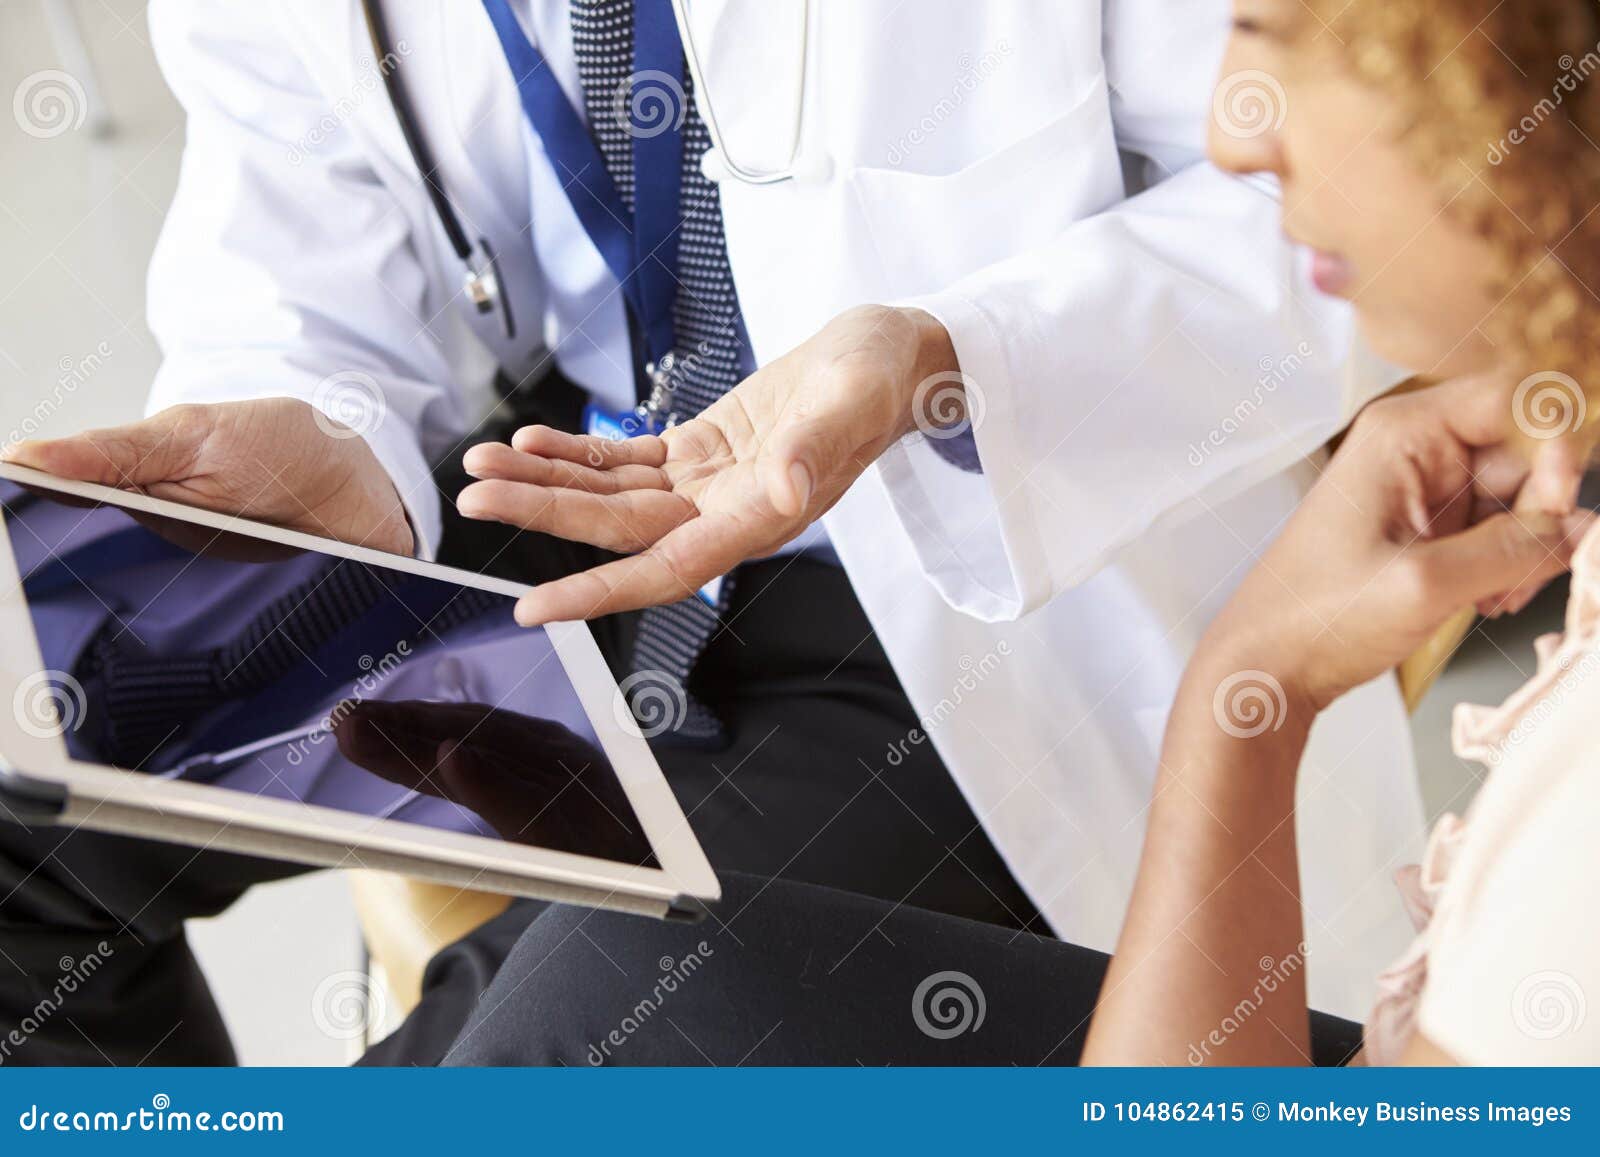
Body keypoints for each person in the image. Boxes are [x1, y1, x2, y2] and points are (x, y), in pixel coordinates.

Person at [3, 0, 1411, 1065]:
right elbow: (302, 212)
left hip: (976, 566)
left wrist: (947, 357)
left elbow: (1345, 209)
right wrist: (325, 419)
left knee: (570, 1041)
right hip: (566, 477)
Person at [366, 0, 1600, 1066]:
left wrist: (1247, 678)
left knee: (574, 1016)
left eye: (1274, 34)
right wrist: (329, 429)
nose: (1239, 128)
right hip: (611, 476)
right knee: (540, 996)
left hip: (954, 588)